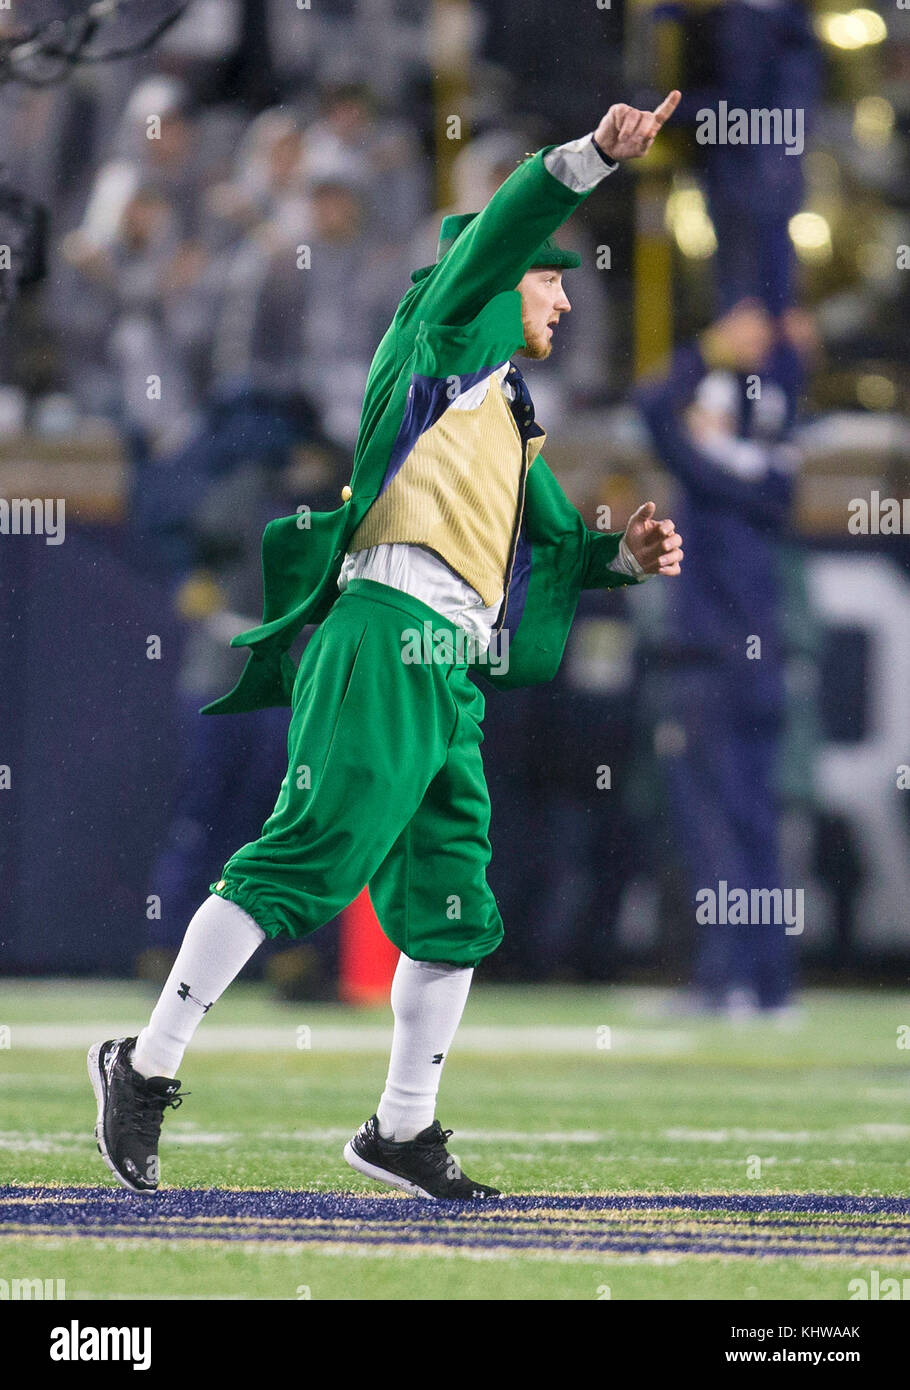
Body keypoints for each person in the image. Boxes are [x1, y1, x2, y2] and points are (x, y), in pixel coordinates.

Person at [89, 91, 685, 1201]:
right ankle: (146, 1060)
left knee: (456, 902)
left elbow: (547, 545)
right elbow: (504, 225)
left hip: (448, 662)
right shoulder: (444, 334)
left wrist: (626, 557)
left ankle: (401, 1127)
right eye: (548, 274)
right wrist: (591, 158)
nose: (560, 291)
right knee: (309, 857)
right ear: (498, 279)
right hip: (387, 629)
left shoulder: (502, 409)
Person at [637, 299, 806, 1013]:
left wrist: (709, 348)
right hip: (759, 663)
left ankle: (724, 977)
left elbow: (650, 405)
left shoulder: (706, 478)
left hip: (708, 661)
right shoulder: (773, 476)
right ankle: (768, 983)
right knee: (755, 820)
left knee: (712, 825)